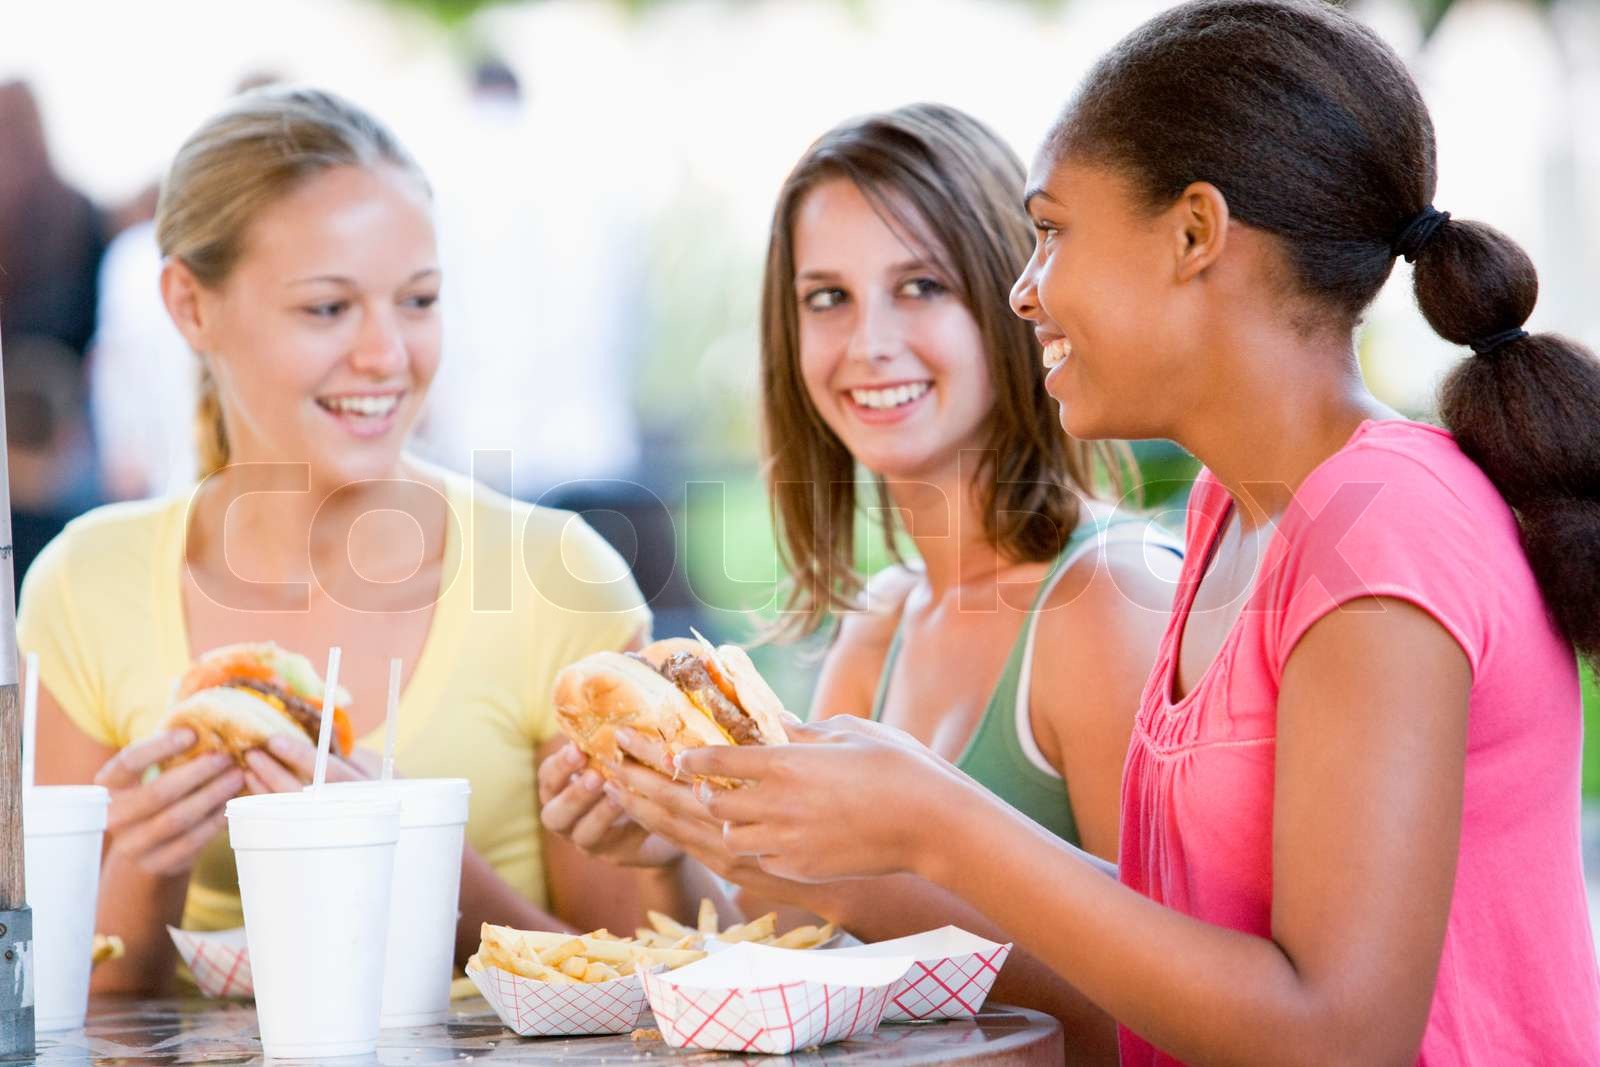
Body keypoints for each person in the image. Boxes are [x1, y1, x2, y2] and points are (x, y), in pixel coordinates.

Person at [662, 2, 1600, 1063]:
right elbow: (1179, 943)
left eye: (1050, 231)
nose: (1024, 292)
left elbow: (1339, 1036)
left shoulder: (1387, 522)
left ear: (1194, 233)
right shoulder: (1229, 516)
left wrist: (936, 822)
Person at [539, 102, 1179, 1054]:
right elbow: (797, 943)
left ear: (1015, 297)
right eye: (827, 297)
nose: (868, 341)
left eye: (920, 286)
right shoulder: (880, 620)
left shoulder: (1107, 599)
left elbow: (1167, 1019)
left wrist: (844, 879)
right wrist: (671, 850)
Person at [18, 86, 657, 994]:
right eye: (328, 308)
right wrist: (148, 863)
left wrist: (409, 853)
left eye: (418, 300)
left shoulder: (559, 578)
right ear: (190, 305)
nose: (387, 354)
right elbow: (66, 1012)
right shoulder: (84, 586)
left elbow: (638, 995)